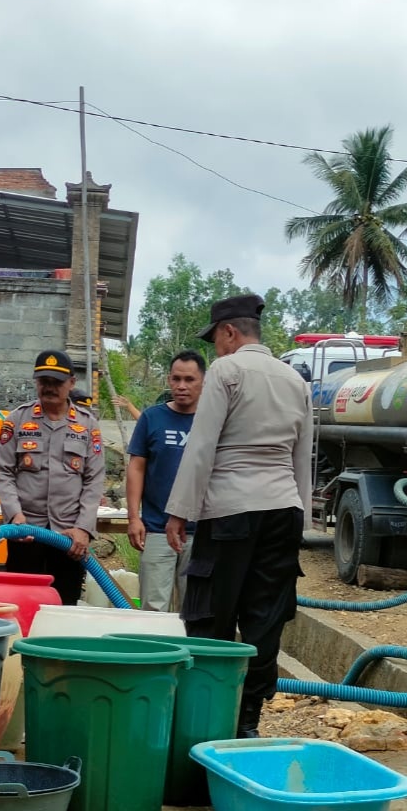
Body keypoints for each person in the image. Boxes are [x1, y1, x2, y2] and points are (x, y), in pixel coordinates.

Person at [165, 295, 313, 737]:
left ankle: (207, 722)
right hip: (283, 509)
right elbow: (302, 455)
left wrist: (179, 512)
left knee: (210, 614)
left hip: (230, 509)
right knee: (265, 617)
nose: (216, 348)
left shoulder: (227, 371)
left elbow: (201, 446)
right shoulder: (295, 378)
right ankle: (247, 722)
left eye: (216, 340)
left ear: (229, 332)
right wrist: (300, 519)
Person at [0, 349, 105, 605]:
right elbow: (3, 471)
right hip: (25, 531)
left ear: (72, 383)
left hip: (69, 536)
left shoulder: (87, 425)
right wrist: (13, 515)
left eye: (57, 382)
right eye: (44, 382)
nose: (49, 388)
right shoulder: (18, 420)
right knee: (20, 603)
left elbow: (94, 479)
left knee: (64, 605)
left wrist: (84, 528)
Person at [127, 351, 206, 611]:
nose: (182, 386)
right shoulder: (152, 418)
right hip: (157, 529)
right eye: (176, 378)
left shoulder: (213, 420)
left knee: (194, 611)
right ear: (169, 380)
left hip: (201, 533)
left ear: (203, 381)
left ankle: (189, 653)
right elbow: (136, 468)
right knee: (153, 608)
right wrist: (134, 518)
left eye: (189, 379)